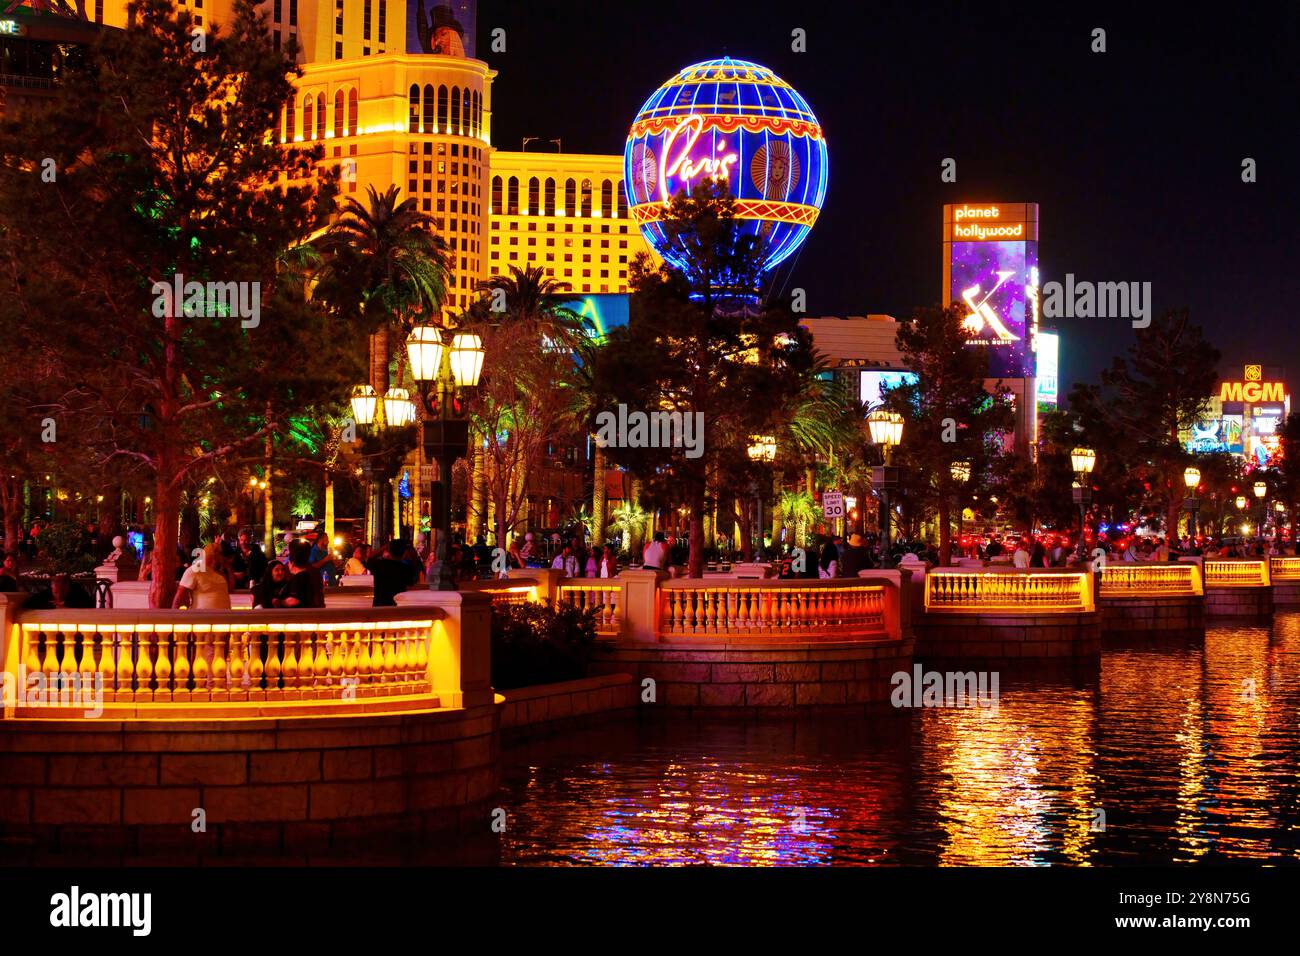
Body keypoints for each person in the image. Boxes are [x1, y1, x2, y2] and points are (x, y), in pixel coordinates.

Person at [173, 542, 232, 610]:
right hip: (202, 618)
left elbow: (230, 590)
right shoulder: (194, 570)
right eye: (221, 554)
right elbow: (178, 597)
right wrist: (173, 618)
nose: (223, 557)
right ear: (214, 555)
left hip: (224, 618)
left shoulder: (220, 573)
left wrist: (229, 569)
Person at [368, 539, 417, 607]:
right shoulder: (406, 569)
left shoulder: (379, 565)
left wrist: (384, 547)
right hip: (397, 605)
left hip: (379, 604)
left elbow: (370, 558)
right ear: (403, 553)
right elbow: (411, 584)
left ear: (389, 551)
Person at [279, 540, 325, 608]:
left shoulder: (283, 571)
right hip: (311, 613)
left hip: (289, 614)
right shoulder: (314, 572)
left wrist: (279, 602)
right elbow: (319, 599)